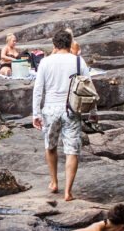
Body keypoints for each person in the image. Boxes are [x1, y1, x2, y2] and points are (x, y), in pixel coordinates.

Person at [31, 28, 89, 202]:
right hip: (71, 109)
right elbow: (89, 88)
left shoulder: (46, 62)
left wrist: (36, 113)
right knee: (72, 150)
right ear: (70, 44)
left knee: (51, 145)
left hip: (50, 109)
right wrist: (93, 112)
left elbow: (38, 89)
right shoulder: (78, 61)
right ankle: (68, 192)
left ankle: (54, 182)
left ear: (54, 45)